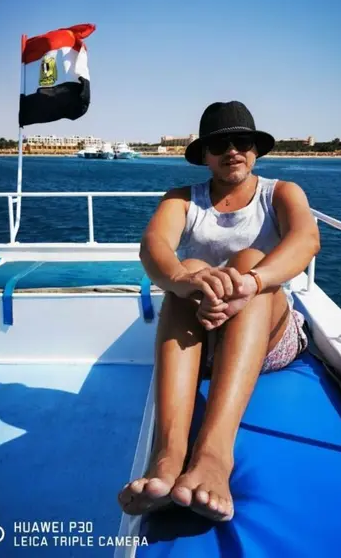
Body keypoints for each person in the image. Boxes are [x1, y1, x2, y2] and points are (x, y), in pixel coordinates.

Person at [118, 101, 320, 522]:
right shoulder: (181, 200)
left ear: (255, 150)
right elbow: (154, 246)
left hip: (268, 340)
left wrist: (250, 283)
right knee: (189, 270)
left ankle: (213, 455)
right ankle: (168, 457)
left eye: (242, 142)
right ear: (205, 156)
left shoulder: (281, 193)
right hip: (204, 340)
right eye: (219, 145)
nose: (232, 151)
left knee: (249, 260)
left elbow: (306, 240)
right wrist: (187, 281)